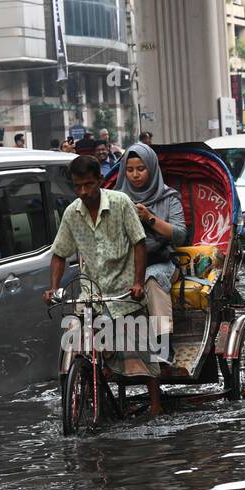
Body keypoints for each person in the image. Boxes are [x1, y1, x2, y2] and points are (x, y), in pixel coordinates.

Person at [44, 155, 163, 415]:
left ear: (100, 180)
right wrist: (53, 288)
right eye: (78, 186)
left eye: (88, 185)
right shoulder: (72, 213)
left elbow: (138, 243)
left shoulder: (121, 203)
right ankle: (88, 388)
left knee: (144, 351)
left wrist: (138, 282)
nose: (84, 192)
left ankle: (155, 404)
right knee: (79, 344)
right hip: (92, 293)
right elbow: (59, 253)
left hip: (124, 292)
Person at [114, 142, 186, 364]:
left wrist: (149, 218)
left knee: (152, 279)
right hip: (127, 263)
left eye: (141, 169)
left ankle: (164, 345)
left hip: (161, 262)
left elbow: (180, 234)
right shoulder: (116, 199)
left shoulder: (168, 197)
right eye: (130, 169)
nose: (135, 175)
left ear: (152, 169)